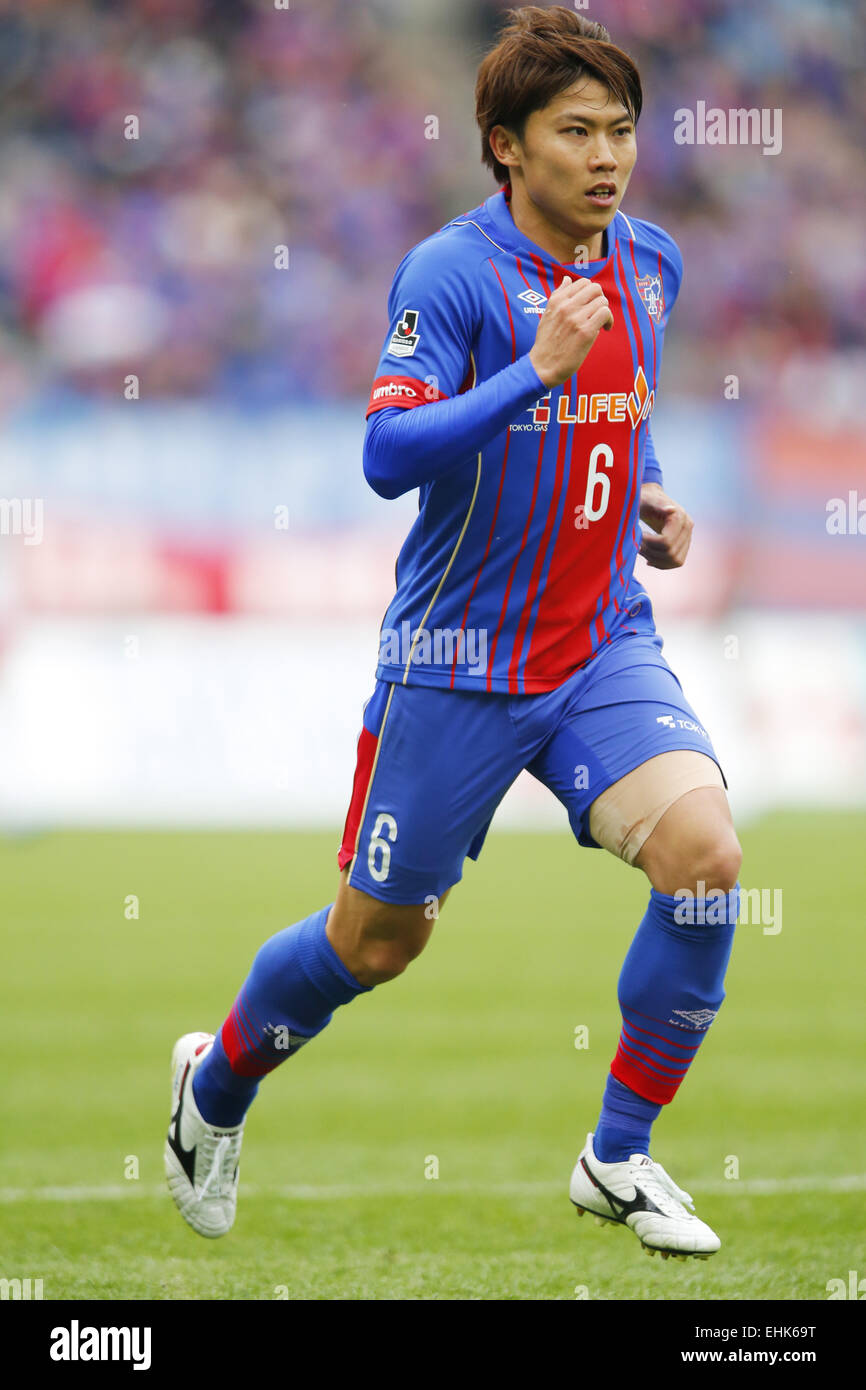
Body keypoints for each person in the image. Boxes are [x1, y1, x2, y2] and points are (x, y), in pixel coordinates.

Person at [166, 6, 741, 1259]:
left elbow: (623, 408)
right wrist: (532, 370)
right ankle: (213, 1085)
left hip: (597, 643)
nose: (606, 156)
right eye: (574, 131)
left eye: (621, 130)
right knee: (374, 944)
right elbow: (385, 455)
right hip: (456, 667)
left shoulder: (647, 262)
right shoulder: (450, 274)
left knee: (704, 862)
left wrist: (642, 488)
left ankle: (619, 1153)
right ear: (503, 145)